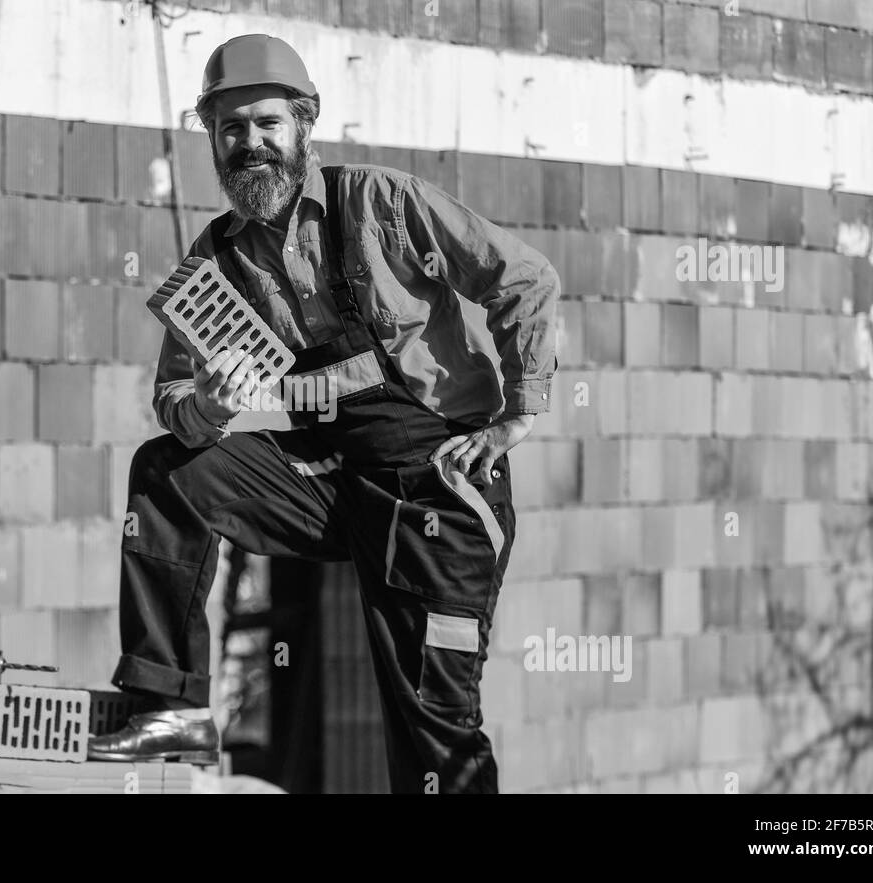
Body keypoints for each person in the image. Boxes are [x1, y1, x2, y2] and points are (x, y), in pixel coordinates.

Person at [88, 33, 560, 794]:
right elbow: (171, 397)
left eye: (267, 124)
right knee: (167, 472)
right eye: (231, 129)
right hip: (331, 479)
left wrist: (517, 413)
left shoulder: (381, 203)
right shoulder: (217, 264)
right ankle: (167, 706)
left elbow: (525, 278)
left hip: (437, 490)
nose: (251, 145)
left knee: (433, 723)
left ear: (304, 122)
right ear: (211, 137)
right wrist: (205, 406)